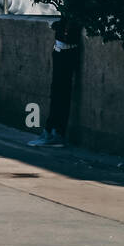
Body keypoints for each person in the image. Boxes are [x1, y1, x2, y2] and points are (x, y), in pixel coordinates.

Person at [29, 17, 80, 148]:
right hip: (62, 50)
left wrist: (59, 27)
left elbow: (69, 30)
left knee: (60, 93)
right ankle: (52, 131)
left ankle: (55, 133)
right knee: (58, 92)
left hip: (65, 51)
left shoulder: (74, 10)